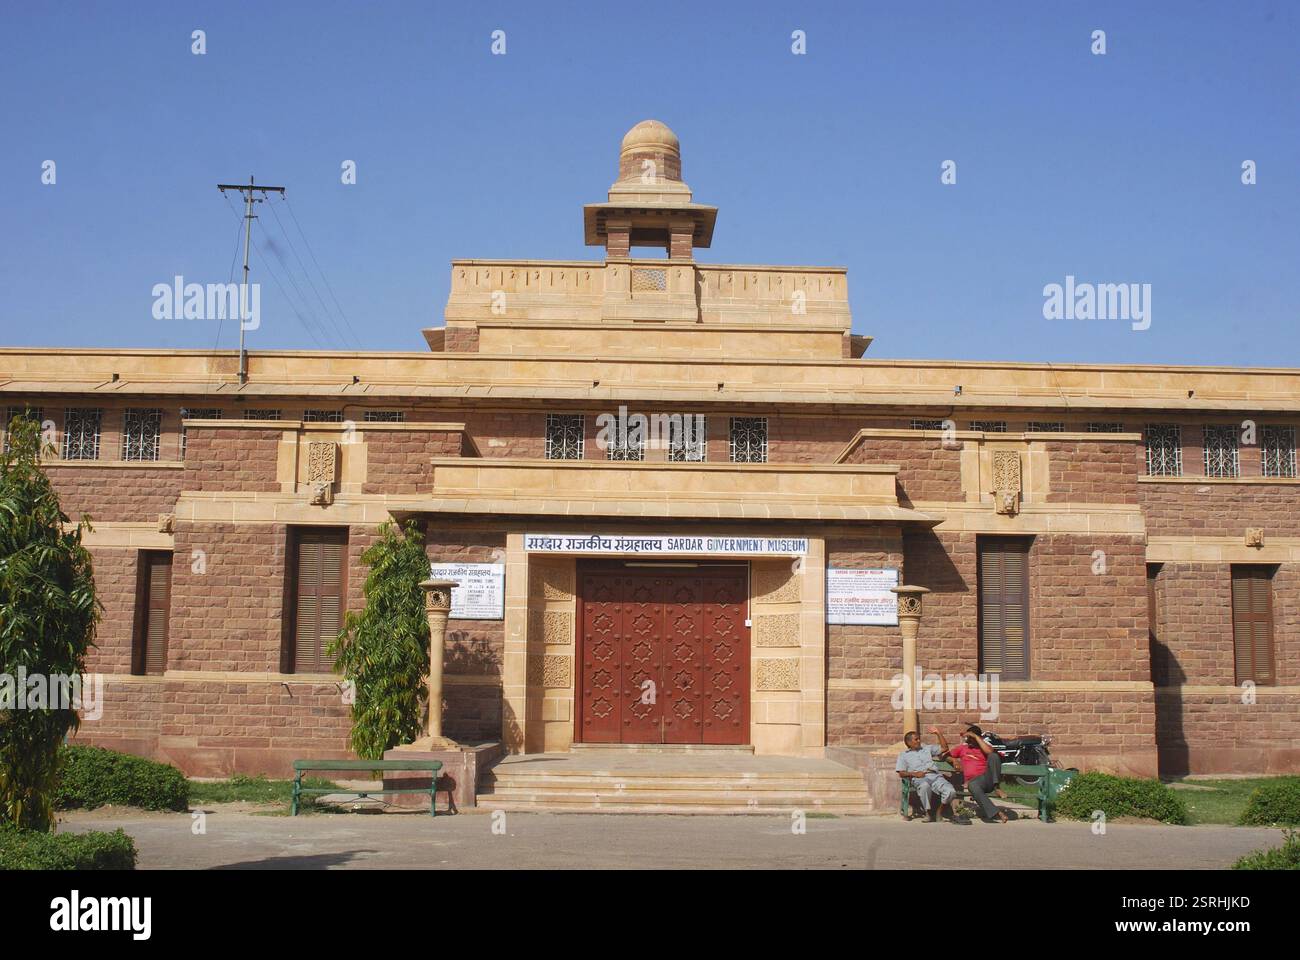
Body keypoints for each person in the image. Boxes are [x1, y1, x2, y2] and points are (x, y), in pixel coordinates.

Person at [896, 729, 966, 823]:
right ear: (909, 742)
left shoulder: (926, 748)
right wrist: (914, 774)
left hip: (935, 776)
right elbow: (901, 773)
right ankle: (928, 813)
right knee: (925, 786)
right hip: (919, 778)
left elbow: (944, 748)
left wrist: (938, 733)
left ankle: (939, 812)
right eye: (916, 740)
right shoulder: (903, 755)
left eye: (919, 739)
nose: (919, 741)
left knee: (950, 791)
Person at [944, 724, 1009, 823]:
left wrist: (976, 737)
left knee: (993, 756)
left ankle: (997, 787)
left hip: (987, 780)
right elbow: (944, 756)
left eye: (971, 738)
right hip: (974, 783)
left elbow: (990, 752)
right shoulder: (962, 748)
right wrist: (953, 760)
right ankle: (996, 813)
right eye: (967, 738)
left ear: (978, 738)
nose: (968, 740)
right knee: (972, 785)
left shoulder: (984, 748)